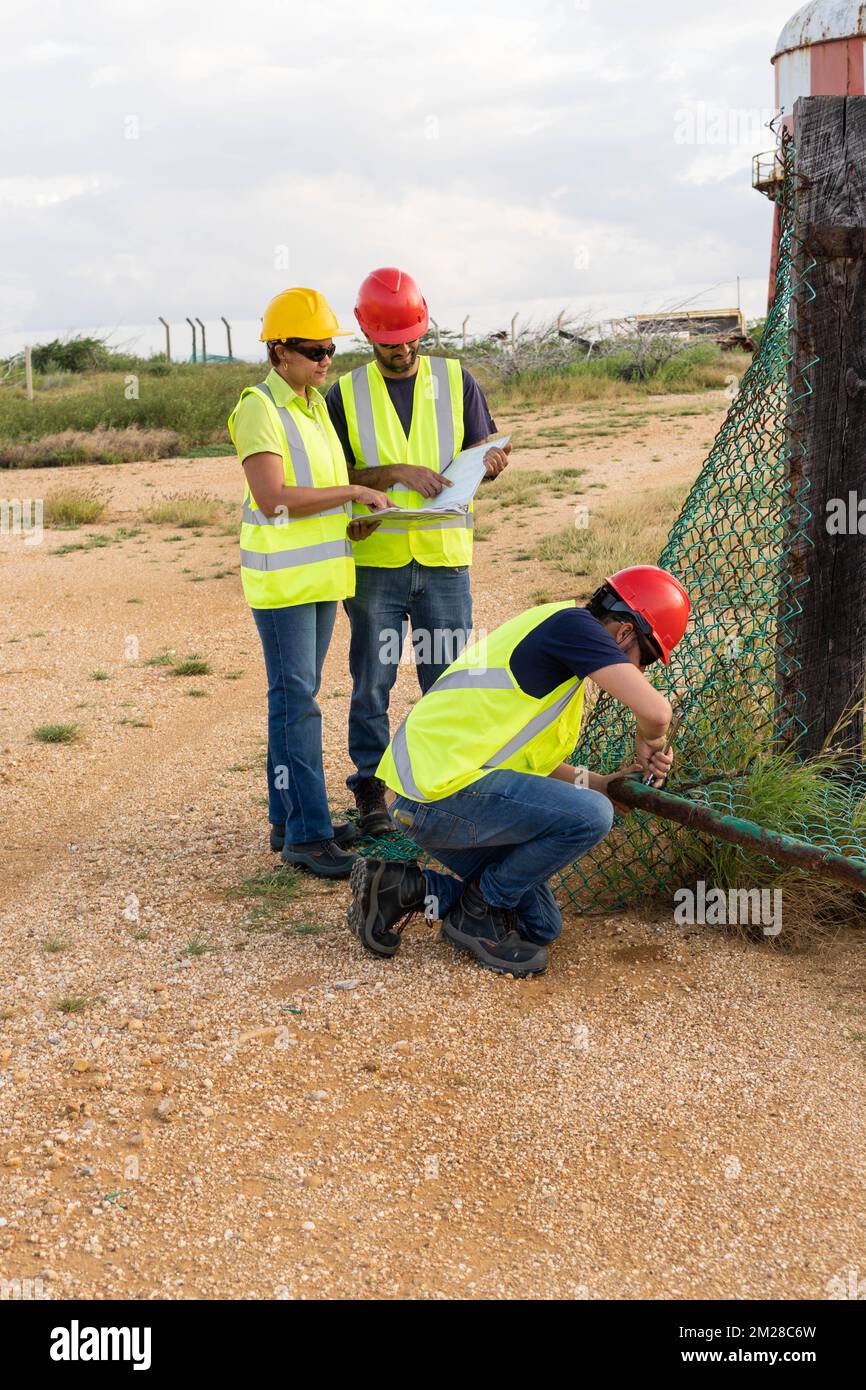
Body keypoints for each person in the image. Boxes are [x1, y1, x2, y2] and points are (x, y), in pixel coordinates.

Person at [346, 565, 691, 973]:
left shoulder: (563, 654)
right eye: (647, 659)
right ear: (625, 633)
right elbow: (657, 711)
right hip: (431, 794)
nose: (641, 672)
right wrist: (649, 741)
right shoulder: (575, 629)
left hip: (432, 792)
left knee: (541, 924)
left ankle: (405, 888)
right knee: (591, 816)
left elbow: (529, 764)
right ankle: (480, 910)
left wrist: (600, 784)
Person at [325, 266, 511, 838]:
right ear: (367, 335)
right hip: (377, 562)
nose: (401, 350)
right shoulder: (345, 393)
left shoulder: (458, 381)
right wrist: (396, 472)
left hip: (444, 562)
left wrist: (492, 464)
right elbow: (332, 476)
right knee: (373, 683)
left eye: (410, 339)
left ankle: (441, 788)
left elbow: (480, 453)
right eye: (388, 343)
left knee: (448, 682)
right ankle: (371, 794)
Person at [228, 287, 389, 879]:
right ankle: (308, 835)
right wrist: (350, 491)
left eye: (329, 349)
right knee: (297, 705)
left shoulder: (313, 403)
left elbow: (316, 489)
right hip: (284, 586)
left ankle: (286, 818)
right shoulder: (259, 408)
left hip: (321, 578)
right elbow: (272, 499)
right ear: (278, 353)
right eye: (313, 350)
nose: (326, 360)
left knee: (297, 700)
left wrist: (353, 517)